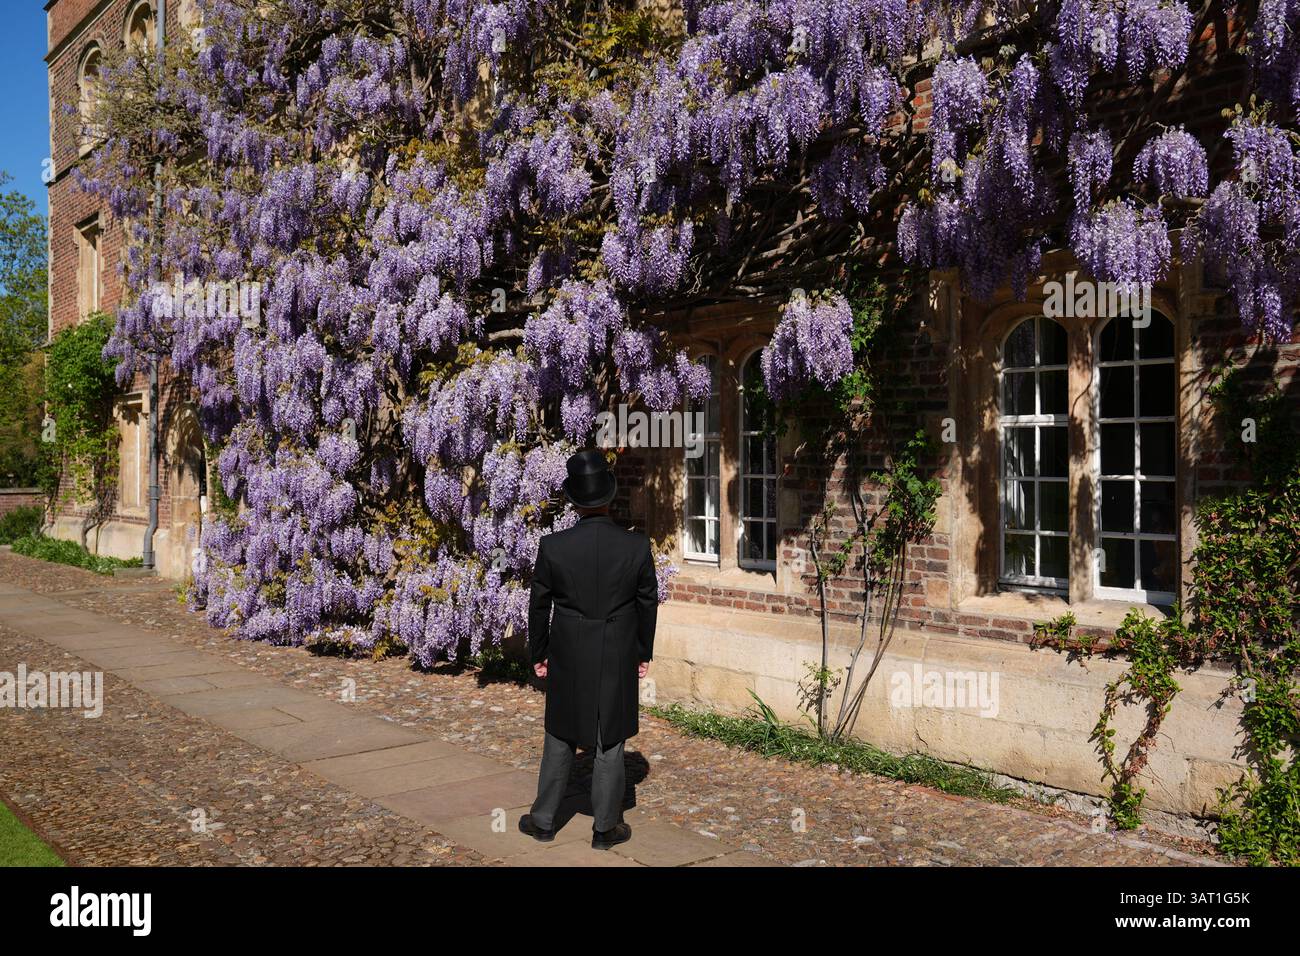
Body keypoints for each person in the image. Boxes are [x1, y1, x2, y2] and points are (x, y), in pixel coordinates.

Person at [517, 449, 659, 850]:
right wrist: (642, 651)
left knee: (560, 732)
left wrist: (539, 653)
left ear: (574, 501)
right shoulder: (636, 547)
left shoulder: (553, 546)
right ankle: (605, 828)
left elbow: (538, 606)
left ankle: (544, 820)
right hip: (616, 649)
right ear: (609, 497)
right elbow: (647, 602)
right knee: (609, 738)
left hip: (568, 646)